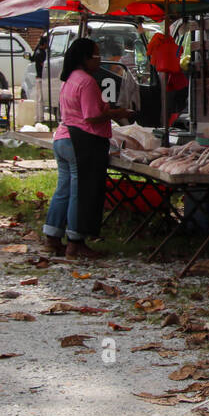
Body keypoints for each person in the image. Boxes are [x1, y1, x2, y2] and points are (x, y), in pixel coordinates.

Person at [44, 38, 132, 258]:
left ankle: (52, 236)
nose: (99, 59)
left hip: (63, 138)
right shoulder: (87, 81)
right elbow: (92, 116)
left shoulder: (69, 79)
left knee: (63, 190)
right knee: (81, 192)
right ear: (85, 58)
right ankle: (76, 241)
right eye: (96, 55)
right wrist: (118, 113)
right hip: (81, 140)